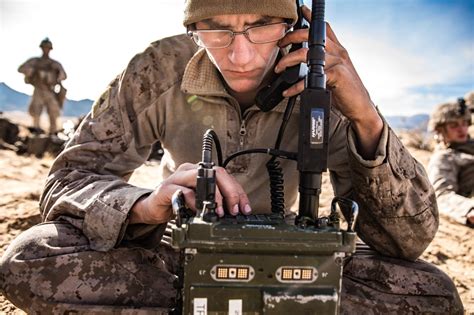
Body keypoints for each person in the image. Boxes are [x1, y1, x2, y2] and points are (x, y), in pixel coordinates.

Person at [0, 1, 463, 313]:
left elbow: (408, 240)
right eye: (217, 29)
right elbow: (71, 178)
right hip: (181, 254)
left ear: (294, 29)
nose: (240, 54)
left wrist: (365, 118)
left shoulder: (328, 83)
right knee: (28, 259)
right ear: (193, 27)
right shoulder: (157, 68)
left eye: (261, 26)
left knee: (434, 294)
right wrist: (147, 204)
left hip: (302, 264)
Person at [427, 93, 474, 227]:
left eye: (464, 123)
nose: (462, 129)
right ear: (440, 130)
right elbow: (441, 195)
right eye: (454, 125)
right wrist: (469, 209)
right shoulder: (443, 158)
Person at [18, 37, 67, 134]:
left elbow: (64, 76)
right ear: (41, 48)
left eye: (48, 48)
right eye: (44, 47)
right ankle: (36, 133)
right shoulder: (35, 61)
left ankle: (53, 133)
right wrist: (31, 71)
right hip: (38, 90)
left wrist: (58, 73)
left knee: (54, 113)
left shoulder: (55, 64)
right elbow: (21, 69)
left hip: (50, 91)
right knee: (36, 113)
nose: (46, 50)